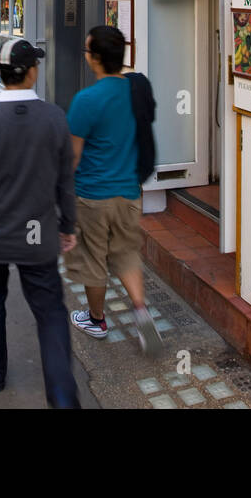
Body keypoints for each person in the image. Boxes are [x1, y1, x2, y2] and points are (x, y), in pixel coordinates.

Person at [0, 38, 80, 407]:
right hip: (38, 239)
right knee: (51, 314)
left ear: (1, 73)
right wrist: (68, 225)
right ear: (32, 73)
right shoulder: (55, 118)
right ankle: (62, 397)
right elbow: (64, 182)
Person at [64, 25, 162, 356]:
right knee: (125, 252)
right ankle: (140, 310)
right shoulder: (135, 89)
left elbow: (73, 158)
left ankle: (96, 319)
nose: (86, 55)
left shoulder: (86, 100)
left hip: (92, 196)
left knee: (94, 259)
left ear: (96, 59)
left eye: (88, 50)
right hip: (130, 193)